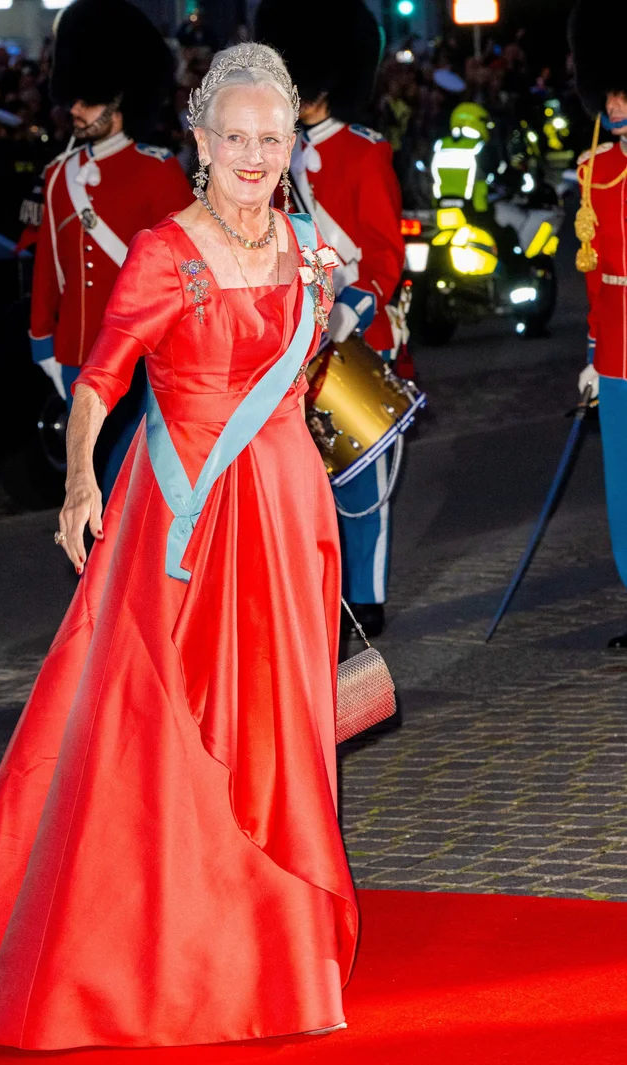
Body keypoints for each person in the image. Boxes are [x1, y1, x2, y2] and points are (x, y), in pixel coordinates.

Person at [0, 42, 358, 1050]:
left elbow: (298, 380)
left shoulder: (298, 246)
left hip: (284, 519)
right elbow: (102, 378)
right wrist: (75, 477)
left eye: (270, 138)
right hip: (184, 511)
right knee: (161, 721)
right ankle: (153, 946)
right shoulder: (163, 249)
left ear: (291, 148)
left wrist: (324, 325)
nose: (252, 152)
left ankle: (276, 953)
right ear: (199, 139)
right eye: (234, 136)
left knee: (275, 720)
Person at [256, 0, 405, 638]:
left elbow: (384, 252)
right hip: (286, 338)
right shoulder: (267, 154)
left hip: (350, 337)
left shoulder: (364, 153)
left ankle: (364, 598)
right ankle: (313, 596)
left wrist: (352, 307)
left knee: (359, 480)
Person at [30, 0, 192, 497]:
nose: (73, 110)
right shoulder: (59, 175)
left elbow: (185, 269)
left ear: (119, 99)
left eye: (88, 99)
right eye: (72, 98)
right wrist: (43, 344)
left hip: (139, 360)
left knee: (126, 493)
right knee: (86, 492)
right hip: (77, 357)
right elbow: (48, 267)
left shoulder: (157, 170)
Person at [570, 0, 627, 648]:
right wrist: (591, 351)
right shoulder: (594, 172)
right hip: (614, 358)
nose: (611, 103)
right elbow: (594, 273)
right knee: (623, 496)